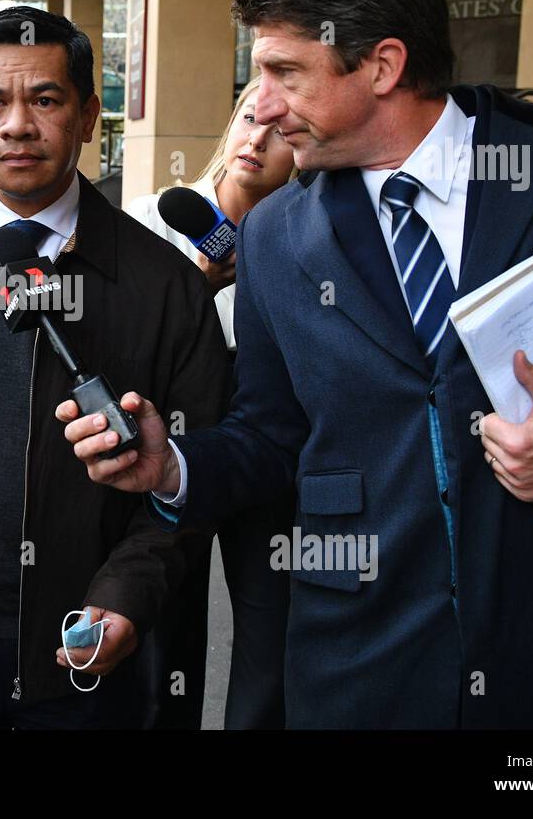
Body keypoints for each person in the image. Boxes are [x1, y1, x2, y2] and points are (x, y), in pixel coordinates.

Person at [59, 0, 533, 728]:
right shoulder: (276, 235)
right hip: (356, 676)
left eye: (285, 72)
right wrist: (172, 464)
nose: (264, 106)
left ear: (383, 64)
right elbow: (273, 435)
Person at [0, 6, 228, 729]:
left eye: (44, 100)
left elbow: (193, 478)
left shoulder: (166, 286)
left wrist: (127, 598)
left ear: (85, 121)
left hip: (90, 665)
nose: (16, 125)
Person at [125, 75, 295, 729]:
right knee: (166, 624)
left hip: (262, 450)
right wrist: (196, 287)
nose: (257, 139)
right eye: (250, 118)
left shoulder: (299, 238)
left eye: (280, 131)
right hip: (171, 448)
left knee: (270, 627)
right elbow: (125, 350)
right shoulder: (151, 218)